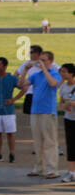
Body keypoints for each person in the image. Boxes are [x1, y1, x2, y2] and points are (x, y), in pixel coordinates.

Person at [19, 50, 62, 178]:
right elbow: (21, 84)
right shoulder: (36, 75)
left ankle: (52, 169)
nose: (41, 62)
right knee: (37, 142)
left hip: (48, 111)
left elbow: (53, 84)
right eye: (40, 60)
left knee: (49, 141)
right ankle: (39, 167)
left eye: (44, 60)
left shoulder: (55, 74)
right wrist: (25, 70)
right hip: (35, 110)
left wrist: (44, 69)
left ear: (51, 61)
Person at [16, 43, 43, 154]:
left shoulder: (46, 64)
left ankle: (50, 145)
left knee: (44, 121)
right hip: (31, 94)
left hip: (42, 95)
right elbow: (15, 75)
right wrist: (20, 85)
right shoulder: (27, 64)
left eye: (31, 52)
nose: (29, 54)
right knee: (34, 122)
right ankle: (37, 145)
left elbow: (60, 73)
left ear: (37, 54)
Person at [59, 62, 75, 183]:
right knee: (70, 145)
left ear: (71, 73)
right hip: (69, 118)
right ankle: (71, 172)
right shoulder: (63, 87)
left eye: (64, 71)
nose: (62, 73)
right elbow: (61, 102)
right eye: (61, 71)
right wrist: (64, 105)